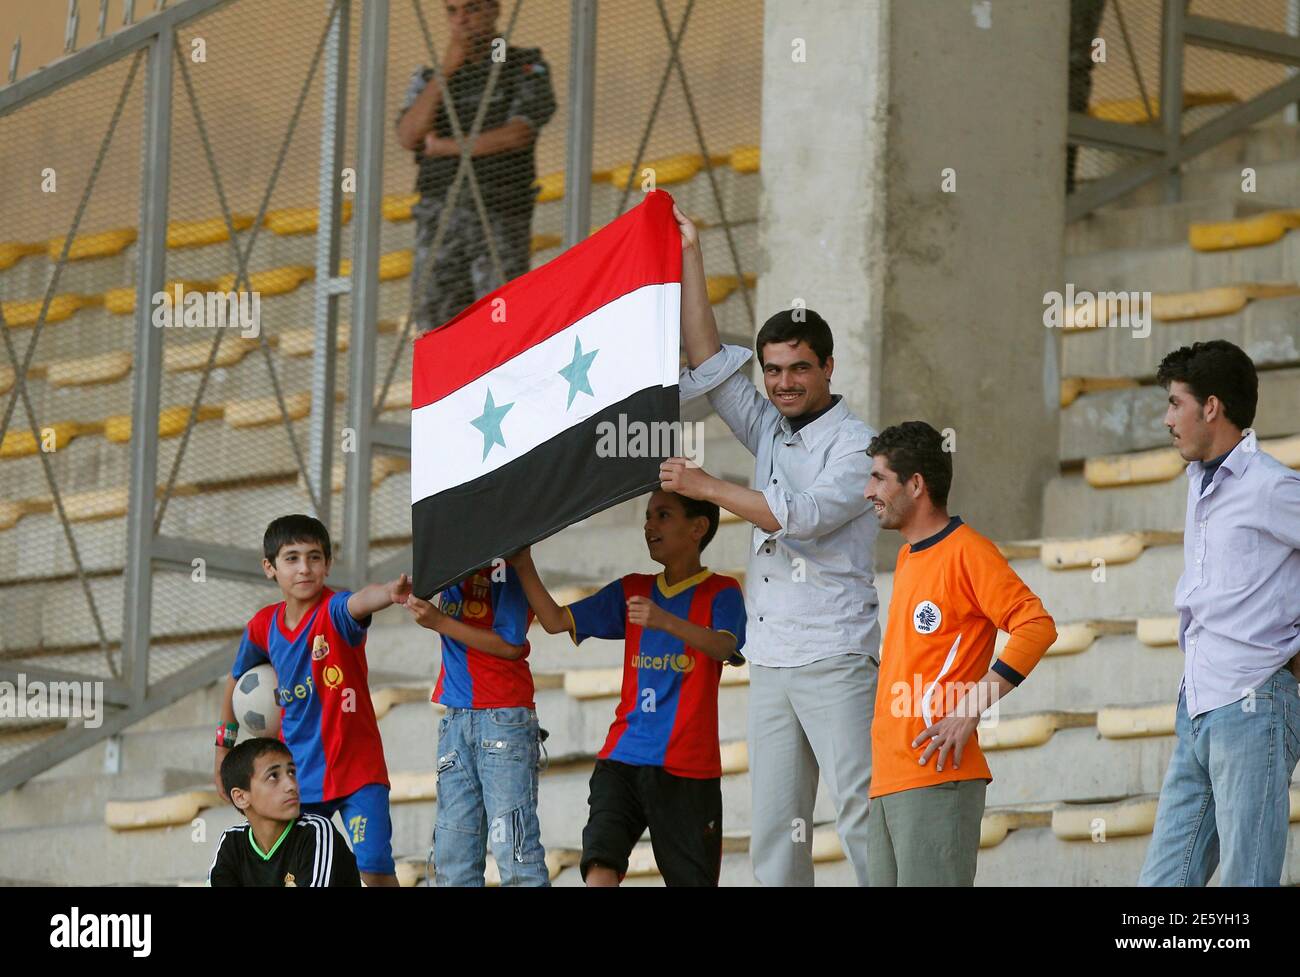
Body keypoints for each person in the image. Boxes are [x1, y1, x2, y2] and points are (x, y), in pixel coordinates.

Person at [666, 204, 879, 886]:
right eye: (774, 370)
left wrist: (708, 484)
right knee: (775, 832)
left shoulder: (856, 443)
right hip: (772, 658)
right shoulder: (770, 428)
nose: (784, 381)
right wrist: (691, 251)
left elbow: (807, 515)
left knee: (860, 814)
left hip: (837, 655)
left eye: (799, 368)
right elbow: (707, 359)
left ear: (828, 367)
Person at [508, 491, 746, 886]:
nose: (649, 525)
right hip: (622, 757)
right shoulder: (632, 589)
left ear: (698, 528)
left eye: (663, 515)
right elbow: (553, 620)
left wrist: (665, 621)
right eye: (648, 516)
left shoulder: (722, 590)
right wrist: (523, 564)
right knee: (600, 863)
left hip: (688, 768)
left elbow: (726, 646)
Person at [863, 422, 1057, 886]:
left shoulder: (969, 552)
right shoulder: (910, 557)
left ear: (915, 484)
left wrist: (969, 710)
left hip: (936, 776)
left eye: (878, 478)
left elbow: (1036, 626)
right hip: (890, 778)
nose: (867, 491)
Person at [1140, 340, 1300, 886]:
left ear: (1212, 407)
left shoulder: (1271, 485)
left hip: (1254, 701)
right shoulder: (1199, 480)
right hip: (1198, 703)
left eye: (1175, 403)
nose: (1167, 419)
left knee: (1247, 883)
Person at [214, 514, 411, 887]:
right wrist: (223, 751)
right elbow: (237, 680)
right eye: (292, 558)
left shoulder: (335, 611)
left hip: (358, 772)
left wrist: (388, 593)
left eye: (314, 557)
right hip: (299, 777)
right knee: (294, 870)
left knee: (374, 869)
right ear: (269, 567)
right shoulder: (262, 626)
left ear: (327, 564)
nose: (304, 568)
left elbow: (360, 602)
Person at [395, 0, 557, 332]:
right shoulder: (431, 77)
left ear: (494, 10)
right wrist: (446, 71)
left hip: (498, 207)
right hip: (440, 213)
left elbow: (518, 133)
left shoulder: (524, 65)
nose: (462, 20)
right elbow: (409, 134)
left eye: (472, 9)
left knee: (500, 321)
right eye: (452, 11)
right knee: (437, 322)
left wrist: (444, 147)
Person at [404, 561, 549, 886]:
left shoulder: (509, 559)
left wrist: (439, 621)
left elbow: (510, 645)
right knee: (452, 860)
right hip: (456, 716)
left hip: (503, 716)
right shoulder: (452, 564)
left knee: (514, 854)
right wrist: (417, 593)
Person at [209, 737, 361, 887]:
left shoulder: (315, 832)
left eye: (292, 772)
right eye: (273, 776)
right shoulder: (232, 841)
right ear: (241, 797)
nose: (291, 785)